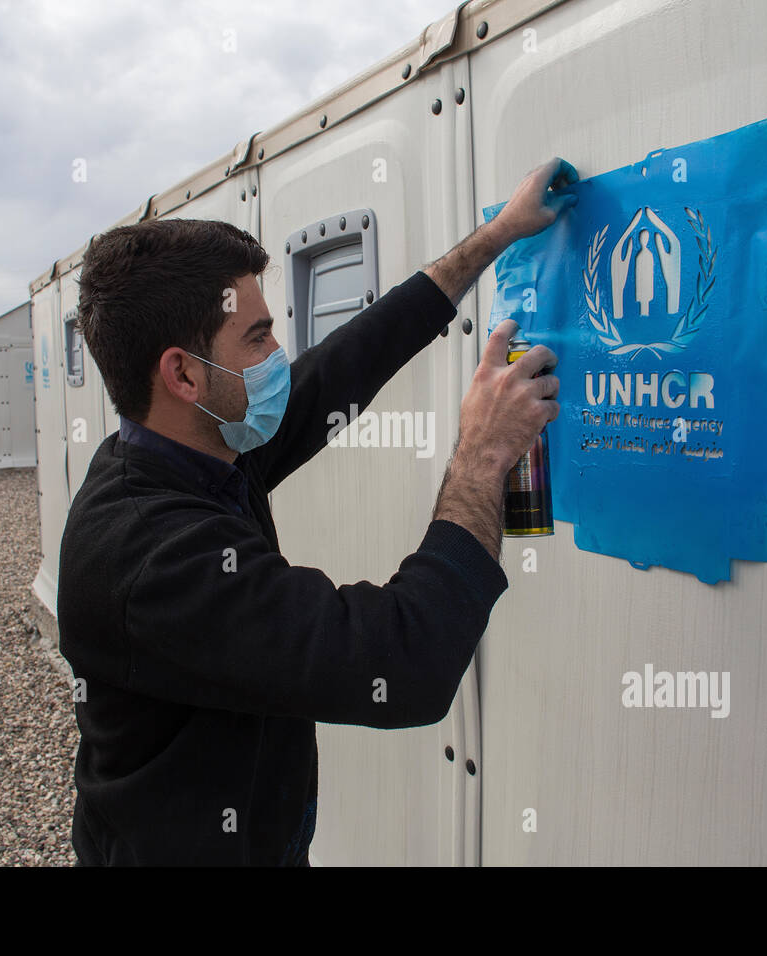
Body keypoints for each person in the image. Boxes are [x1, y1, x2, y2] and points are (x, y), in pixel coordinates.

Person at [58, 157, 578, 865]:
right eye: (257, 337)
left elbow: (348, 362)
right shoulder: (150, 558)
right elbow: (407, 661)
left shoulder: (193, 445)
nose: (280, 354)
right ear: (182, 374)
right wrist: (484, 453)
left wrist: (496, 236)